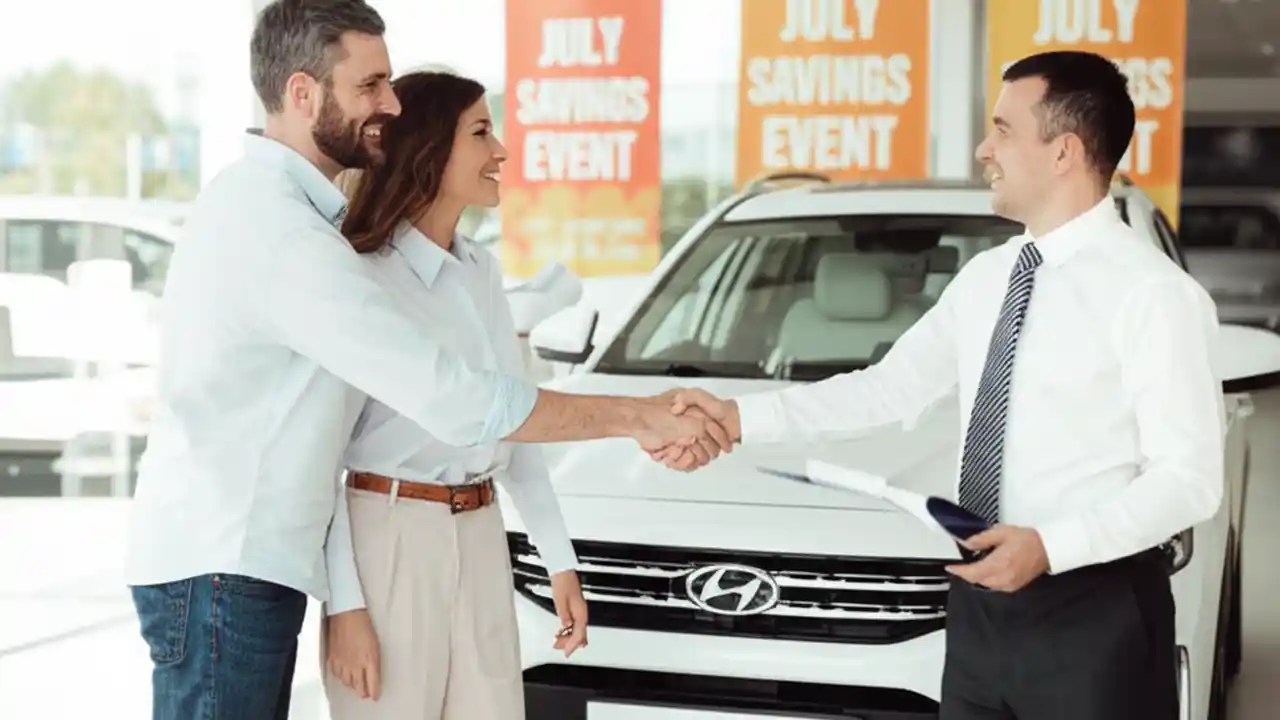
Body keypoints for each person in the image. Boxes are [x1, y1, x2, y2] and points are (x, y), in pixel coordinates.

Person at [124, 3, 728, 719]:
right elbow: (462, 403)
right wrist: (640, 417)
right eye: (371, 85)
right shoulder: (288, 238)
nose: (391, 102)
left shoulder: (291, 218)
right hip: (226, 564)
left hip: (243, 561)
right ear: (301, 94)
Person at [662, 50, 1224, 719]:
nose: (985, 149)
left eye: (1004, 130)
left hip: (1095, 613)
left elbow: (1190, 480)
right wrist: (738, 416)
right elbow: (887, 389)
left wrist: (1051, 547)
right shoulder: (988, 277)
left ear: (1065, 151)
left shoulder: (1155, 295)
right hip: (981, 606)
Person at [318, 69, 584, 719]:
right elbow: (318, 462)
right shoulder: (362, 277)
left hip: (482, 531)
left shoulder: (481, 272)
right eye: (482, 132)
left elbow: (516, 417)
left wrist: (559, 559)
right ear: (430, 149)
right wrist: (345, 606)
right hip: (389, 540)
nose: (500, 152)